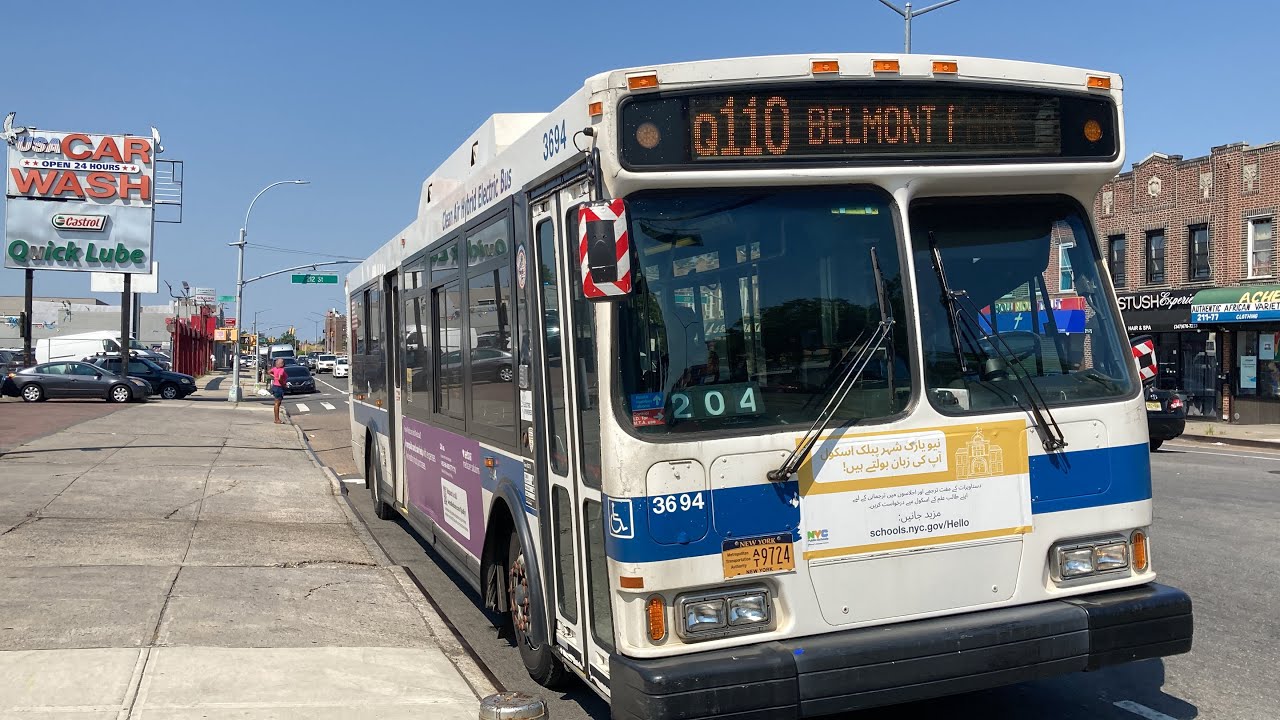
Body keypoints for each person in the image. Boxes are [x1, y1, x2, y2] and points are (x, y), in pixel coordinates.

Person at [269, 358, 287, 424]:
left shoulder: (275, 369)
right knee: (277, 403)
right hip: (279, 387)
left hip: (275, 386)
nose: (283, 364)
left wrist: (274, 376)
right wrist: (283, 384)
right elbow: (280, 378)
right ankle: (277, 419)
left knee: (277, 403)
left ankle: (276, 418)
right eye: (282, 363)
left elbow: (269, 372)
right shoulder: (281, 370)